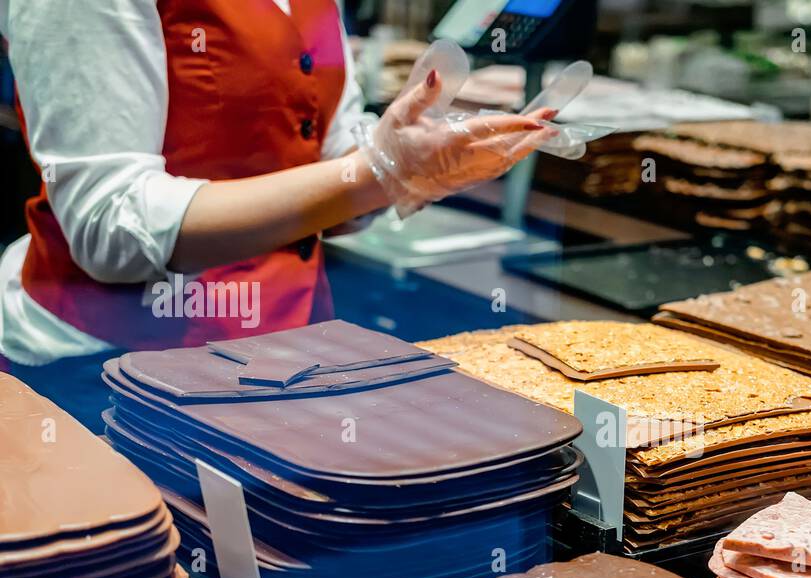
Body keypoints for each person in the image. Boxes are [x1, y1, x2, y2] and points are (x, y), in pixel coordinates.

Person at [0, 0, 551, 425]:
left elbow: (328, 162)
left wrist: (404, 165)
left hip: (287, 362)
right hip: (110, 377)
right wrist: (377, 172)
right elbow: (109, 228)